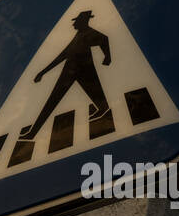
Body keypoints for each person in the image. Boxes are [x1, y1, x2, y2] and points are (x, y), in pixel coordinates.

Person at [19, 10, 112, 140]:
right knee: (55, 99)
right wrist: (42, 72)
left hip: (79, 70)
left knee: (53, 100)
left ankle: (33, 133)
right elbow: (63, 55)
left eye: (76, 22)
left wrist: (108, 57)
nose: (74, 25)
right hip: (73, 70)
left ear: (82, 22)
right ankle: (33, 132)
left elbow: (104, 39)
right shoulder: (80, 35)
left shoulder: (88, 34)